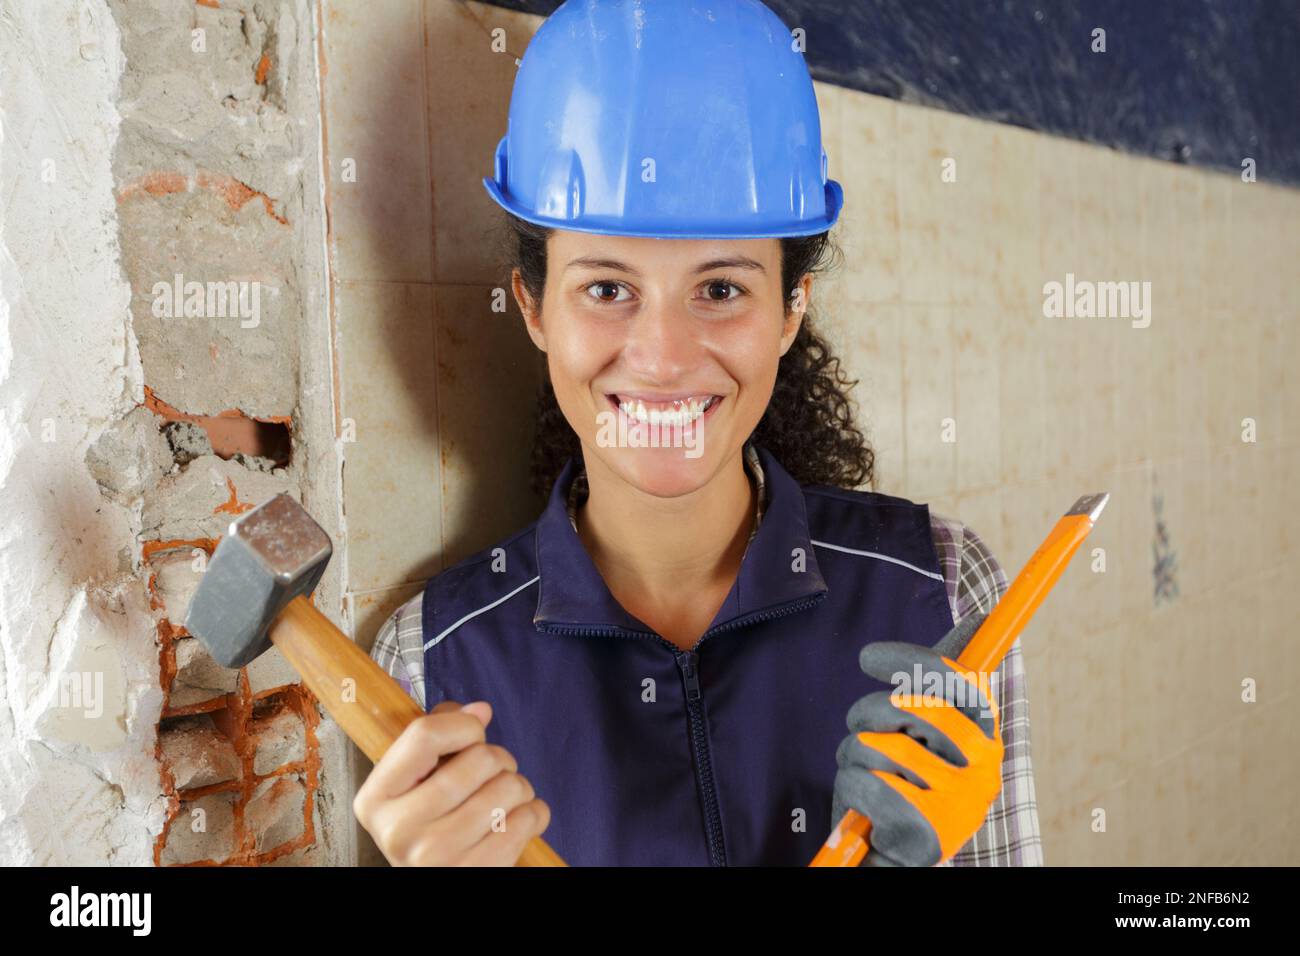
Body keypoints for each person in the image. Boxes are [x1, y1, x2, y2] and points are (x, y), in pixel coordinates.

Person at [354, 0, 1043, 867]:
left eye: (720, 290)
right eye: (607, 289)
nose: (664, 358)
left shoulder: (944, 589)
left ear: (791, 308)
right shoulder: (428, 666)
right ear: (532, 307)